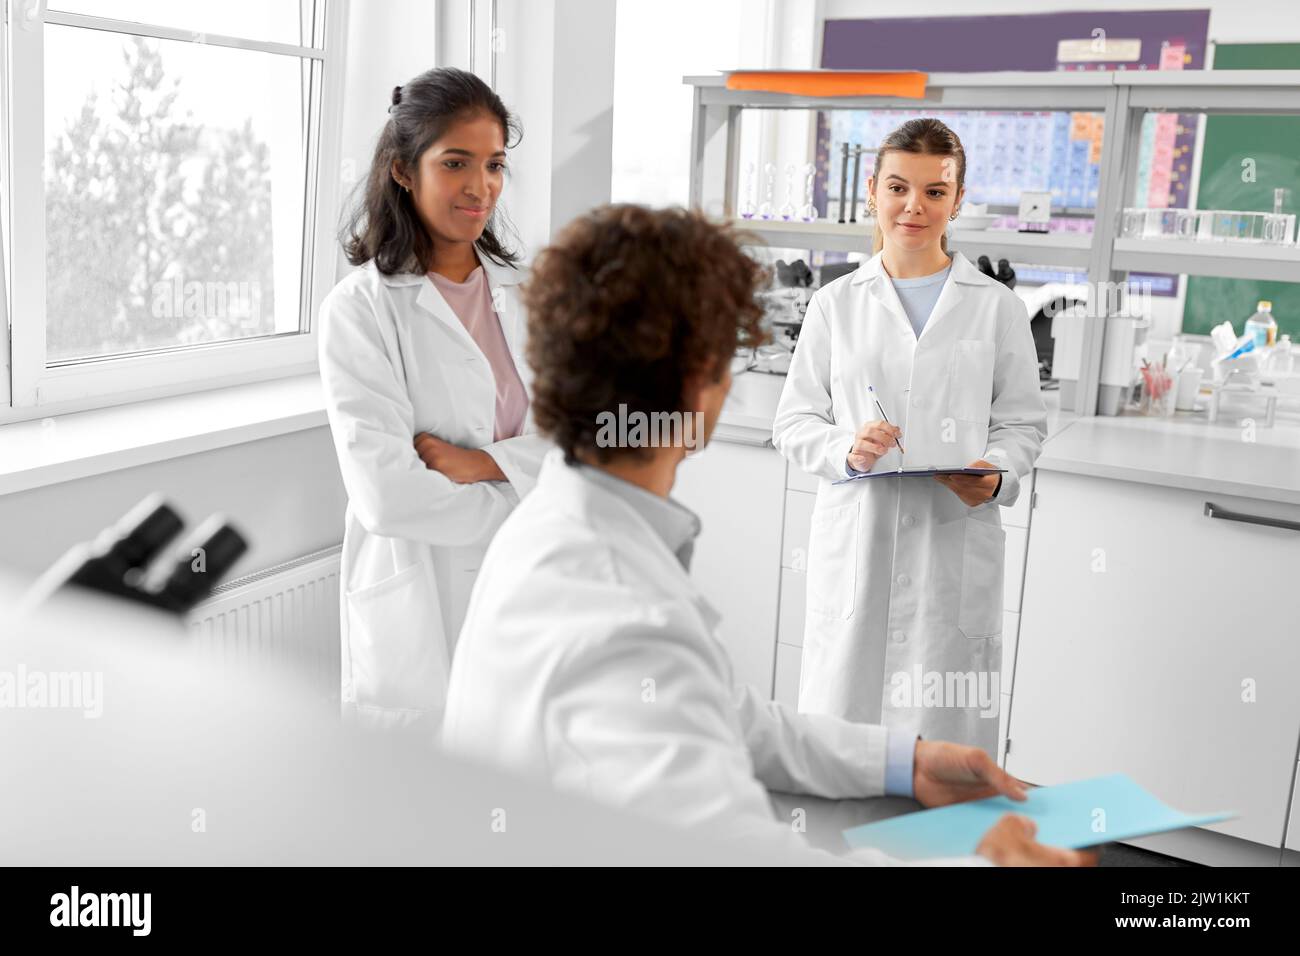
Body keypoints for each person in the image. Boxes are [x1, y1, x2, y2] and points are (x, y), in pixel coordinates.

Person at [442, 205, 1089, 866]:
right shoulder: (621, 610)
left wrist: (904, 761)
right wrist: (977, 863)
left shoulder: (561, 523)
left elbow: (725, 713)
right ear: (706, 383)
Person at [772, 119, 1048, 757]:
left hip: (952, 546)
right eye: (898, 187)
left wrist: (996, 471)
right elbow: (793, 422)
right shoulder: (835, 304)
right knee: (843, 745)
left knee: (940, 753)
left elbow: (1022, 423)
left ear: (957, 199)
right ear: (872, 190)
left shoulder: (997, 306)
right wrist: (846, 449)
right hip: (859, 543)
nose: (914, 206)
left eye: (934, 191)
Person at [319, 67, 548, 733]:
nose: (481, 187)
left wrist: (481, 464)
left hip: (528, 589)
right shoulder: (360, 312)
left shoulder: (532, 294)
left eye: (495, 164)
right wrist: (529, 491)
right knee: (427, 811)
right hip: (423, 598)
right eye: (456, 163)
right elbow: (388, 497)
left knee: (528, 796)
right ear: (402, 170)